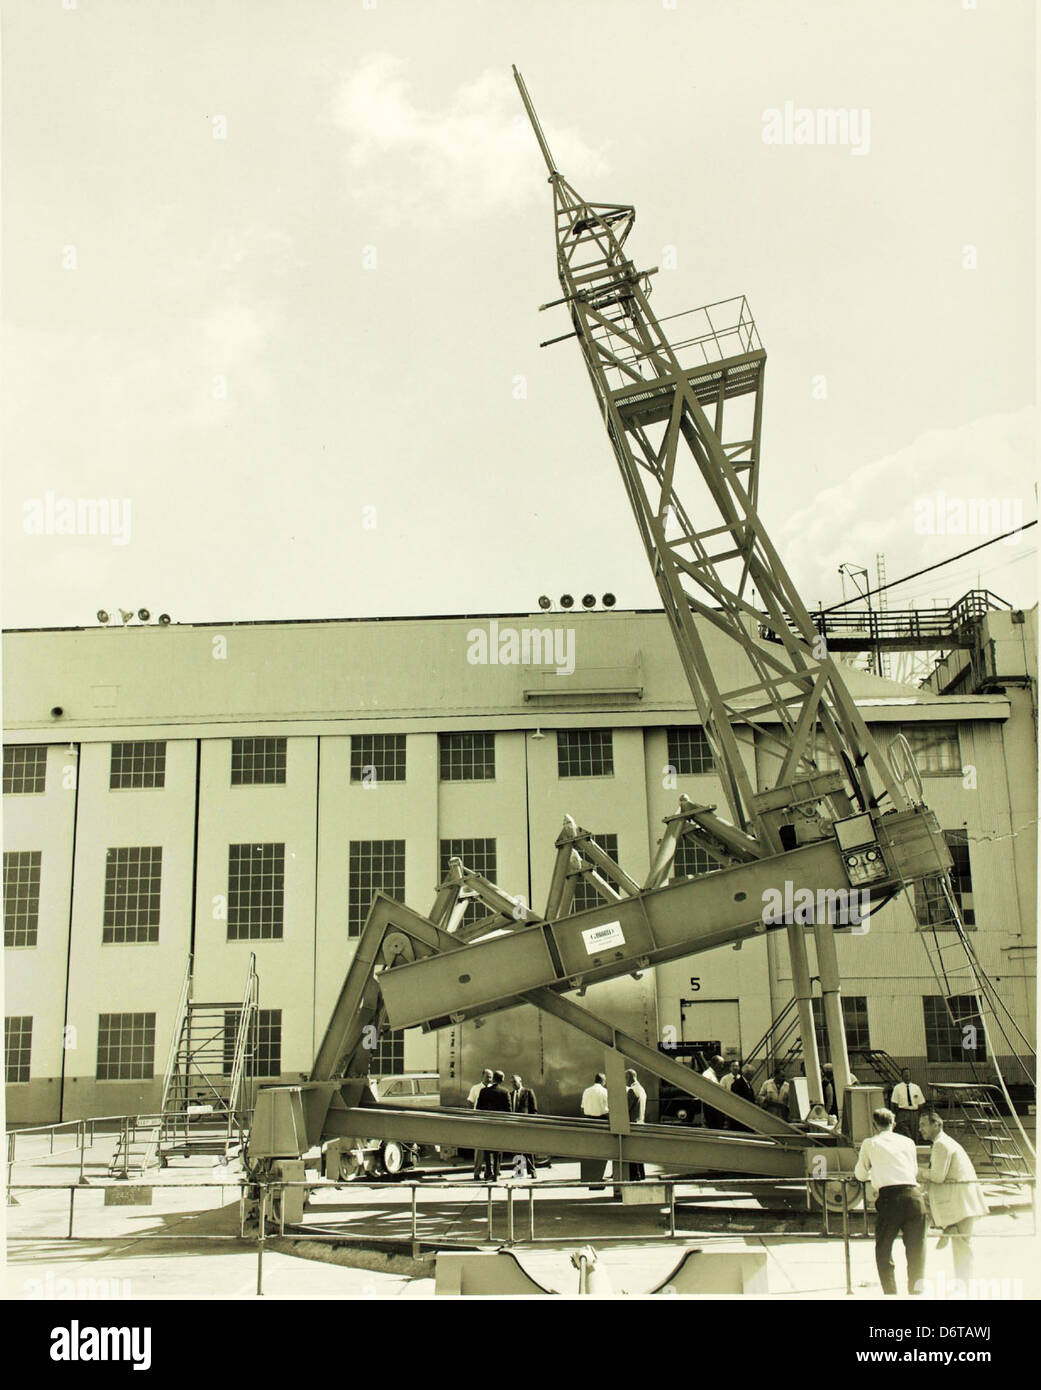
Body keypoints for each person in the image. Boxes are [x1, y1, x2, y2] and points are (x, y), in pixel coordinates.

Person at [854, 1107, 927, 1296]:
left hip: (890, 1199)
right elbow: (913, 1171)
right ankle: (916, 1293)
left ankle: (891, 1293)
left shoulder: (870, 1143)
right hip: (913, 1196)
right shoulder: (908, 1142)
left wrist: (874, 1172)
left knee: (884, 1249)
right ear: (893, 1124)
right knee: (916, 1250)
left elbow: (860, 1174)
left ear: (874, 1124)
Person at [918, 1109, 988, 1285]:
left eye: (924, 1125)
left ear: (937, 1124)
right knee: (962, 1244)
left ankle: (964, 1286)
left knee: (963, 1245)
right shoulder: (943, 1142)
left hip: (961, 1201)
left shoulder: (942, 1144)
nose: (920, 1129)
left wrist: (919, 1173)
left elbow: (937, 1176)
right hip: (962, 1200)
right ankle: (948, 1227)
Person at [474, 1069, 512, 1180]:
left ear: (494, 1078)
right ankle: (496, 1174)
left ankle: (488, 1172)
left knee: (486, 1149)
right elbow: (508, 1111)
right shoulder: (505, 1092)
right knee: (497, 1151)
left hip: (486, 1125)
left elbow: (478, 1109)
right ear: (502, 1080)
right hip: (499, 1126)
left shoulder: (484, 1091)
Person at [510, 1073, 538, 1179]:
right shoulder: (511, 1094)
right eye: (511, 1082)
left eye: (515, 1082)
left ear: (520, 1081)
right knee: (517, 1149)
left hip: (526, 1125)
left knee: (528, 1148)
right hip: (515, 1125)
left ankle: (532, 1170)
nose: (513, 1084)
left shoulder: (528, 1092)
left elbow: (534, 1109)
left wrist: (532, 1123)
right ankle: (519, 1171)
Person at [468, 1068, 493, 1178]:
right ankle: (477, 1172)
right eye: (487, 1076)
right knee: (479, 1149)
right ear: (482, 1076)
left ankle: (489, 1171)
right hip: (478, 1121)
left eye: (491, 1077)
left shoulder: (493, 1089)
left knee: (491, 1148)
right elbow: (470, 1102)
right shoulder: (475, 1088)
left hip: (490, 1122)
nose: (489, 1079)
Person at [890, 1069, 927, 1139]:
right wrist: (897, 1116)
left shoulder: (916, 1087)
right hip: (903, 1113)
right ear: (902, 1076)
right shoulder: (897, 1088)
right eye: (905, 1074)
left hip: (914, 1114)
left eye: (908, 1074)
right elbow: (894, 1103)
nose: (907, 1075)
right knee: (905, 1135)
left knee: (915, 1134)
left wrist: (919, 1115)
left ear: (910, 1075)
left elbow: (921, 1103)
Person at [624, 1069, 646, 1182]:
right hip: (640, 1123)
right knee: (638, 1151)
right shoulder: (642, 1089)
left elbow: (625, 1109)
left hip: (632, 1124)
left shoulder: (632, 1090)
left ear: (628, 1077)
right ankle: (641, 1174)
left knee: (631, 1152)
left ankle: (634, 1176)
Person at [700, 1054, 726, 1129]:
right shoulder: (707, 1075)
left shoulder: (711, 1075)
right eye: (720, 1065)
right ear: (714, 1064)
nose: (722, 1067)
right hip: (711, 1109)